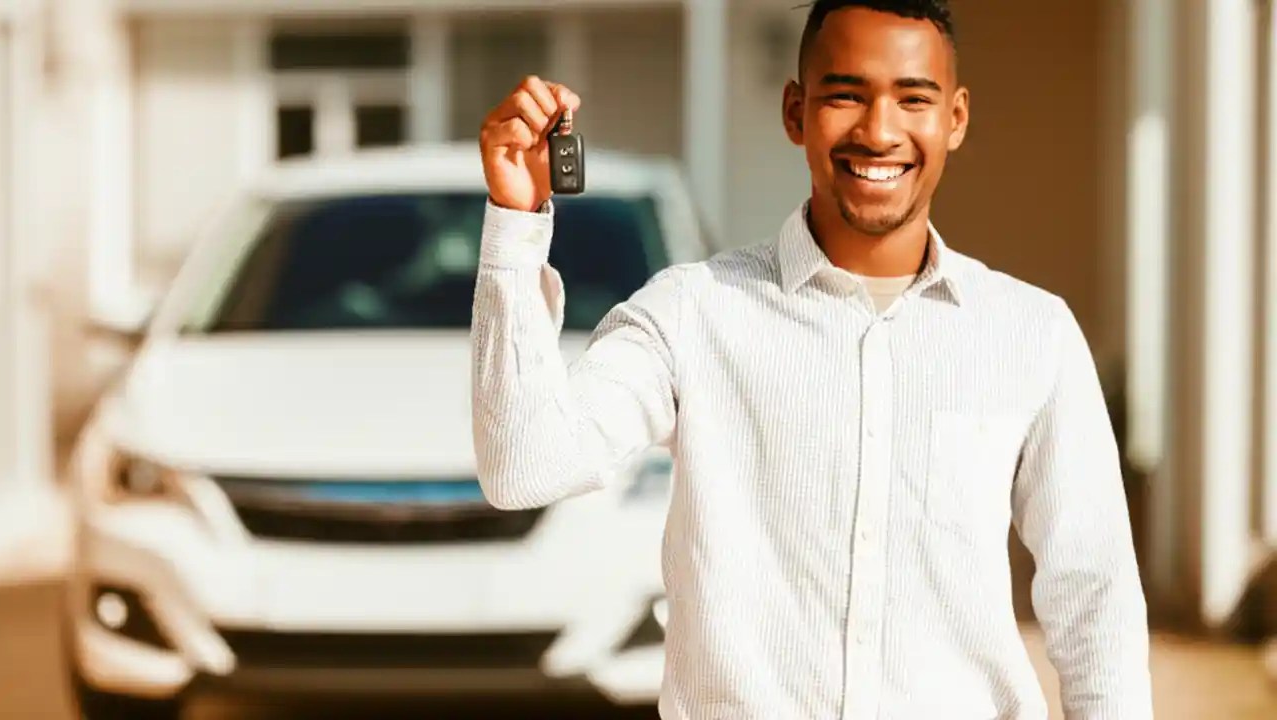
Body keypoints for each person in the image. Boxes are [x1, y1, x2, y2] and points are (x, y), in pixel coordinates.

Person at [471, 0, 1153, 718]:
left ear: (955, 118)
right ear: (796, 112)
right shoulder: (692, 314)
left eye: (911, 98)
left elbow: (1094, 594)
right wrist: (515, 224)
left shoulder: (1031, 333)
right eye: (846, 95)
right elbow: (524, 466)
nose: (879, 130)